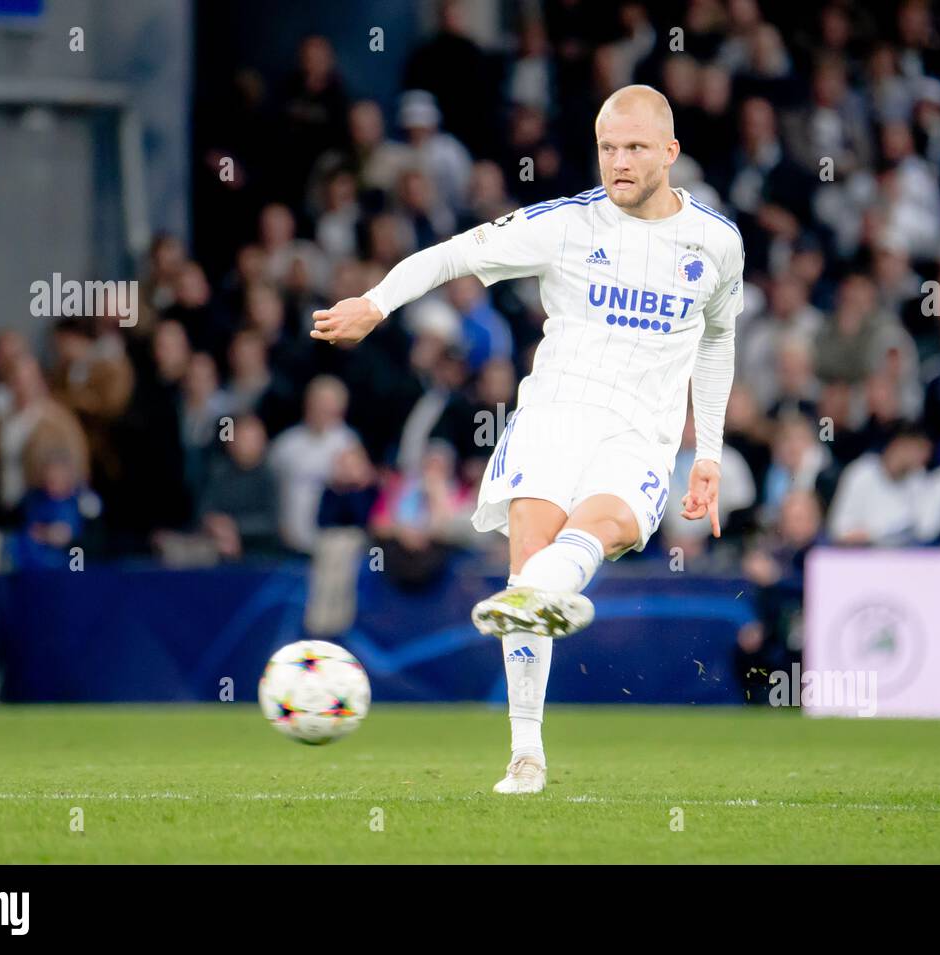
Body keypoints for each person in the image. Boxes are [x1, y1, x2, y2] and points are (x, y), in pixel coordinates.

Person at [311, 85, 744, 794]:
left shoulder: (717, 243)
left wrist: (713, 455)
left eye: (635, 148)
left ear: (670, 152)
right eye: (608, 147)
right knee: (535, 558)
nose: (619, 161)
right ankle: (526, 752)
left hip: (640, 432)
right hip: (552, 419)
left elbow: (719, 341)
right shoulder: (565, 225)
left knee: (591, 534)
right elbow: (452, 255)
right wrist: (375, 302)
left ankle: (538, 590)